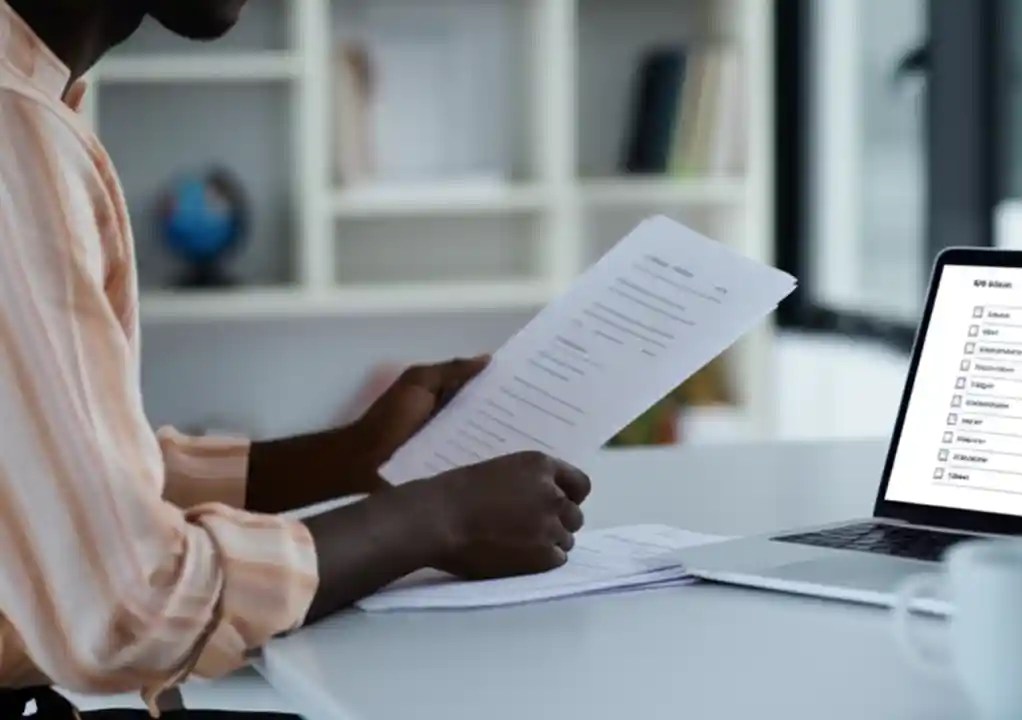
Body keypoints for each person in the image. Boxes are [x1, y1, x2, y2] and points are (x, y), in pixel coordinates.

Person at [0, 0, 591, 717]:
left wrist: (347, 458)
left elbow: (49, 480)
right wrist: (437, 520)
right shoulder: (15, 135)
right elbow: (131, 600)